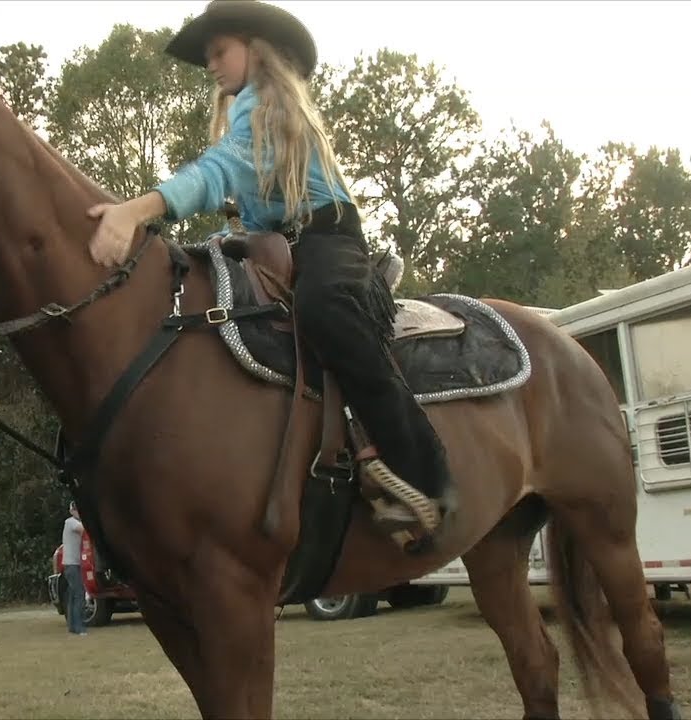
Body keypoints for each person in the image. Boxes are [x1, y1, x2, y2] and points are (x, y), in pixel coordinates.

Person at [85, 0, 455, 526]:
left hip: (327, 237)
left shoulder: (269, 106)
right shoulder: (243, 108)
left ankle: (426, 477)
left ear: (255, 50)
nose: (210, 65)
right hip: (274, 242)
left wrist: (139, 210)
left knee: (326, 309)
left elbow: (220, 171)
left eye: (219, 51)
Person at [61, 501, 87, 635]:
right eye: (75, 510)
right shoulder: (70, 522)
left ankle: (72, 626)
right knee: (79, 595)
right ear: (71, 511)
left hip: (73, 564)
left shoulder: (75, 522)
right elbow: (83, 530)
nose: (78, 512)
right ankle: (78, 627)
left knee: (72, 597)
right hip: (72, 565)